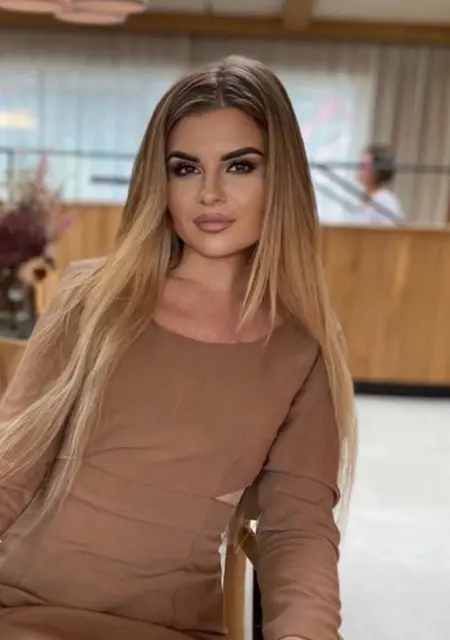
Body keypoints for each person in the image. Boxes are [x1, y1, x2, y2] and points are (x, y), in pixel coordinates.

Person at [0, 56, 357, 640]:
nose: (209, 193)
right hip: (20, 609)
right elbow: (10, 467)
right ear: (160, 183)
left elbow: (298, 531)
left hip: (170, 625)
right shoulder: (92, 297)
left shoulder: (304, 347)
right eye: (186, 168)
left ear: (282, 178)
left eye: (240, 165)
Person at [354, 144, 404, 225]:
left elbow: (386, 231)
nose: (359, 168)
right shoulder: (364, 198)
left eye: (364, 165)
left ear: (377, 172)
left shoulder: (385, 201)